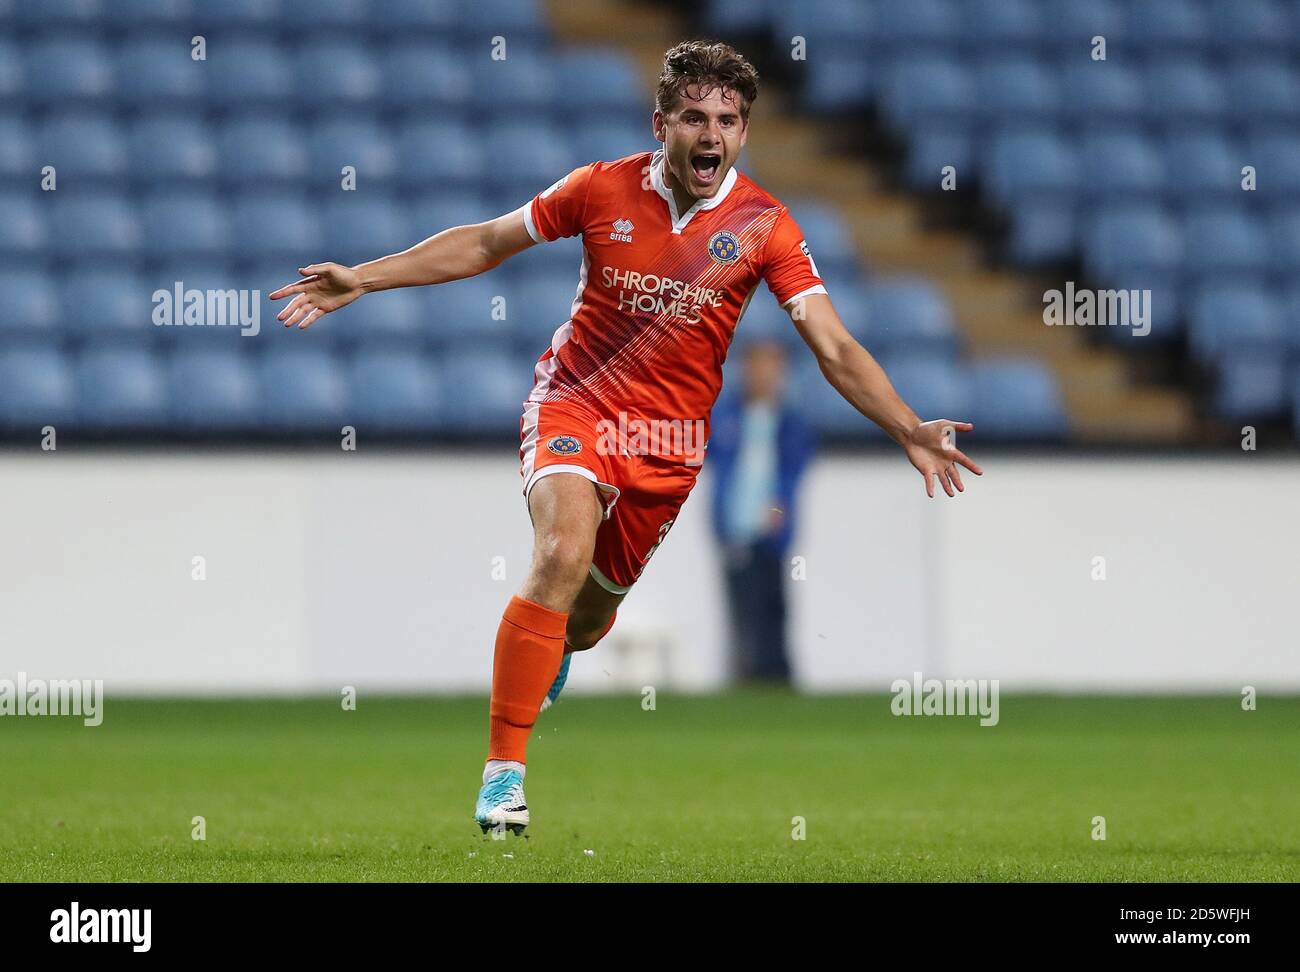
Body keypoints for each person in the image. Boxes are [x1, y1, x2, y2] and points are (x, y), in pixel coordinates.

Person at [269, 40, 983, 837]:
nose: (710, 134)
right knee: (560, 554)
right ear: (662, 125)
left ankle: (560, 644)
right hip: (574, 402)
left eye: (727, 120)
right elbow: (485, 242)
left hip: (670, 445)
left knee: (586, 615)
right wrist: (364, 277)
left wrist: (907, 425)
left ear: (743, 134)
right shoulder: (599, 188)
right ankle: (504, 773)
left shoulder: (765, 229)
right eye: (693, 117)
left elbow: (834, 347)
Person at [709, 340, 812, 684]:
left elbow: (792, 472)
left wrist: (779, 509)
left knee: (775, 607)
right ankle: (745, 674)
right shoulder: (726, 417)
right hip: (737, 529)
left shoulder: (790, 423)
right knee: (742, 610)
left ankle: (778, 677)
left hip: (774, 531)